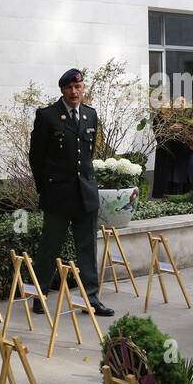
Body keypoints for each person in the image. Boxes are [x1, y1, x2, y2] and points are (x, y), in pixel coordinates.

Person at [27, 68, 113, 317]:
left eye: (78, 87)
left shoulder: (90, 115)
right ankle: (39, 294)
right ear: (62, 90)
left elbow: (87, 155)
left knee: (87, 248)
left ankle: (92, 298)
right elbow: (36, 157)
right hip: (58, 194)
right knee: (49, 247)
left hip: (85, 193)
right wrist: (45, 188)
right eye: (69, 88)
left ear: (83, 88)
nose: (74, 92)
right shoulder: (47, 116)